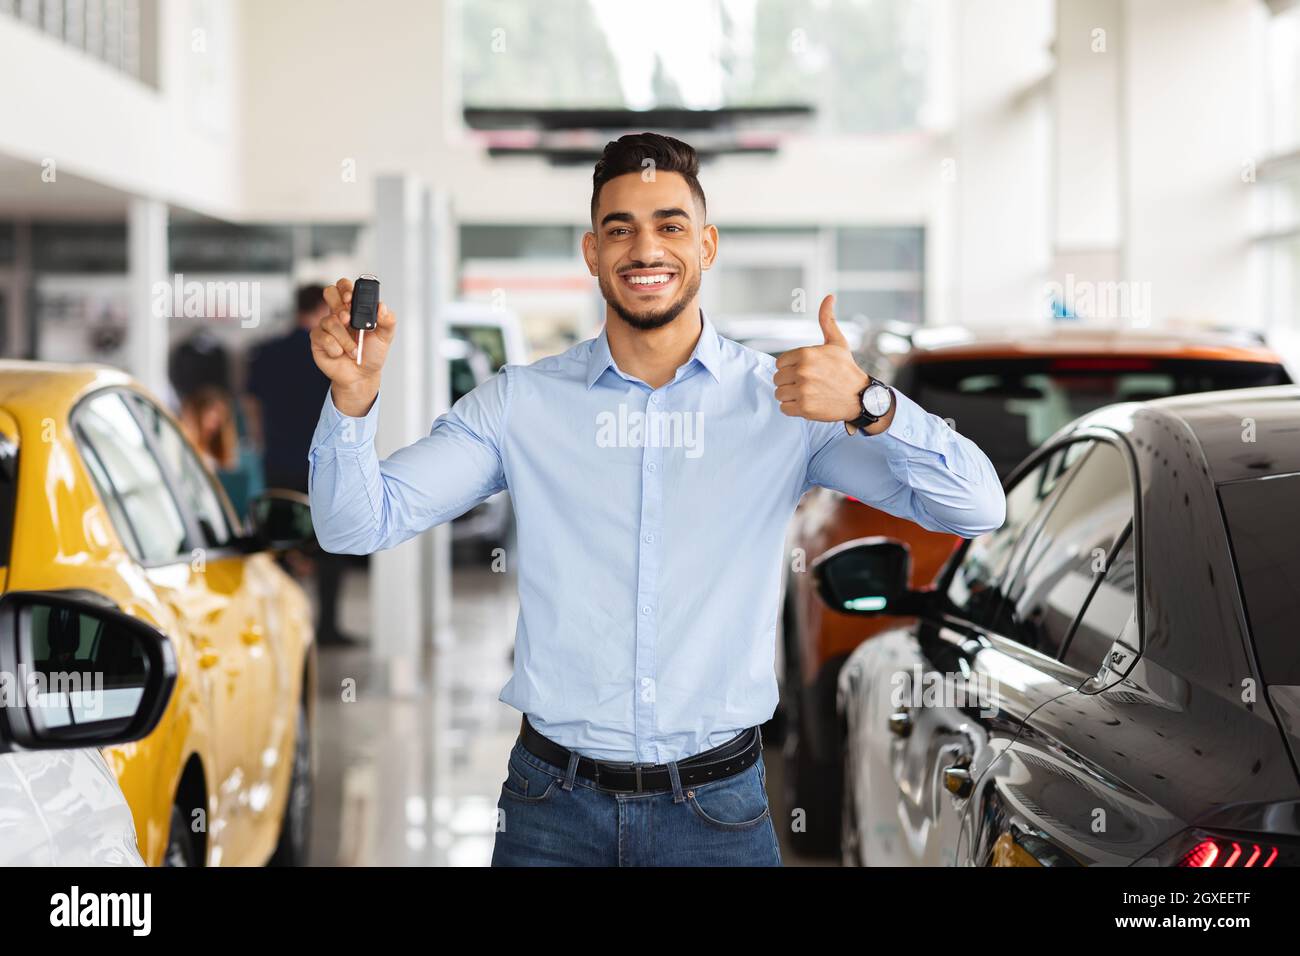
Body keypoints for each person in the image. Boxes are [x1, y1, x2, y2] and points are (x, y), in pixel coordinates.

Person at [306, 133, 1006, 866]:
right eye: (621, 229)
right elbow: (356, 524)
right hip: (549, 814)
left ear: (705, 245)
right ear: (592, 251)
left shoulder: (786, 407)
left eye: (670, 225)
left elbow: (977, 506)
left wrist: (871, 402)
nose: (646, 249)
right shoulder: (522, 405)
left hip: (719, 815)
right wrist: (353, 402)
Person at [248, 283, 356, 647]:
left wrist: (264, 443)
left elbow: (253, 407)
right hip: (323, 464)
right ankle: (327, 628)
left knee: (281, 544)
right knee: (329, 547)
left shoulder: (267, 352)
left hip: (278, 460)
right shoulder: (331, 352)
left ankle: (282, 627)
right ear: (320, 309)